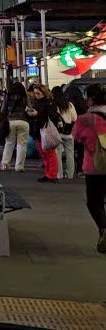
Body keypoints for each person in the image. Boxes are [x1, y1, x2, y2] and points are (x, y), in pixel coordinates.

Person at [69, 84, 106, 254]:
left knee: (94, 202)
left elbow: (76, 136)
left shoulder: (86, 119)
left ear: (90, 98)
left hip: (96, 167)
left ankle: (104, 228)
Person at [28, 83, 59, 183]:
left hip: (45, 130)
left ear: (43, 93)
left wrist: (37, 114)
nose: (36, 95)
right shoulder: (39, 102)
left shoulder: (48, 103)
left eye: (38, 93)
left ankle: (52, 175)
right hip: (39, 130)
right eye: (35, 93)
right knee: (44, 154)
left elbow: (51, 116)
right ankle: (48, 173)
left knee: (49, 153)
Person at [0, 83, 30, 171]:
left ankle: (5, 164)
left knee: (9, 143)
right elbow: (29, 108)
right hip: (23, 121)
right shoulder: (25, 97)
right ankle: (19, 166)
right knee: (22, 144)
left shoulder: (7, 96)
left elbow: (3, 110)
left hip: (11, 121)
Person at [51, 87, 78, 180]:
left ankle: (59, 174)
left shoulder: (54, 105)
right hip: (69, 133)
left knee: (57, 153)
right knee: (70, 154)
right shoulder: (69, 105)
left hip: (57, 133)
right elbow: (75, 118)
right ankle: (70, 175)